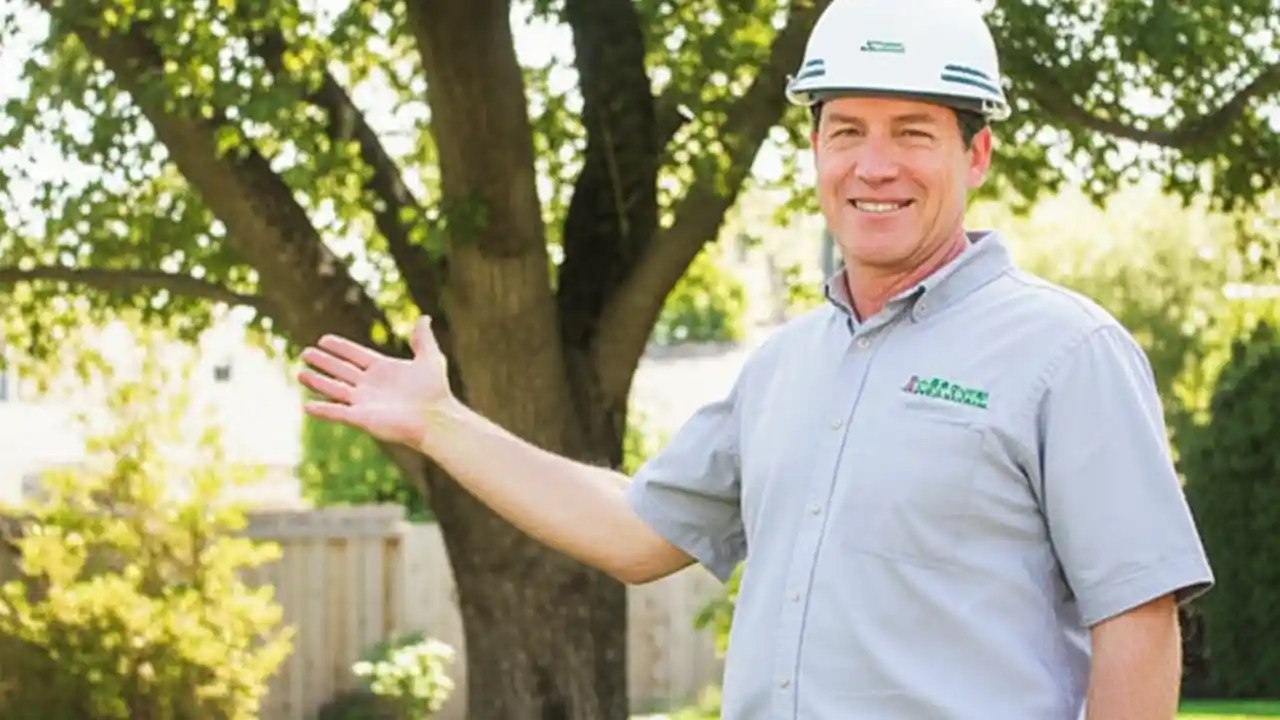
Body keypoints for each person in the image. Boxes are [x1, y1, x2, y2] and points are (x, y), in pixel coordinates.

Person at [299, 0, 1214, 716]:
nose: (874, 164)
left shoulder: (1067, 354)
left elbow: (1136, 616)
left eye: (913, 132)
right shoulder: (784, 370)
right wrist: (441, 425)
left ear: (976, 153)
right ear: (815, 148)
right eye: (847, 130)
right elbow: (635, 532)